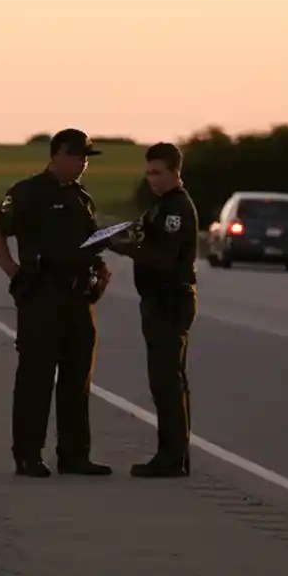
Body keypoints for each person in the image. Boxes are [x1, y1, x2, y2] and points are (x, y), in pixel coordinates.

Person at [0, 129, 113, 478]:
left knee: (77, 378)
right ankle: (28, 455)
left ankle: (74, 455)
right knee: (36, 378)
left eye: (86, 157)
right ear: (56, 154)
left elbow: (89, 242)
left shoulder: (82, 196)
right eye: (76, 155)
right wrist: (14, 272)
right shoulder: (27, 192)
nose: (82, 162)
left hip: (78, 298)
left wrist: (99, 271)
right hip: (42, 297)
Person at [105, 142, 198, 478]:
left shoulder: (175, 209)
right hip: (159, 299)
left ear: (175, 172)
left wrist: (128, 249)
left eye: (158, 172)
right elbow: (142, 233)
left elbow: (164, 258)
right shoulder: (159, 208)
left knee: (166, 381)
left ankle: (171, 458)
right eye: (148, 173)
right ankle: (175, 455)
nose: (152, 179)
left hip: (169, 299)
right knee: (167, 379)